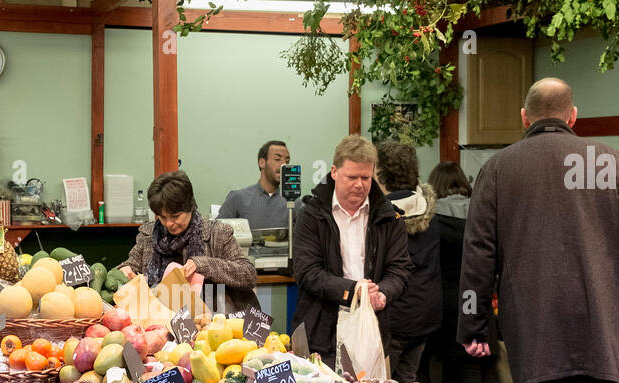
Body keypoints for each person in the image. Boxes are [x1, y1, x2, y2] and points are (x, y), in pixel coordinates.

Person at [457, 78, 619, 383]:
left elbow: (479, 253)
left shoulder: (497, 169)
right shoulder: (611, 163)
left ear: (525, 118)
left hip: (538, 338)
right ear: (573, 116)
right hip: (607, 338)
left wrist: (473, 326)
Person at [291, 135, 412, 363]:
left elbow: (400, 269)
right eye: (352, 177)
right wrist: (351, 290)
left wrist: (383, 294)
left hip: (372, 328)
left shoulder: (390, 216)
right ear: (334, 172)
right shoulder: (312, 214)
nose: (360, 184)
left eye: (366, 177)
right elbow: (306, 272)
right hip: (320, 331)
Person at [119, 169, 259, 313]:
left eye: (175, 216)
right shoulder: (148, 235)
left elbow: (248, 274)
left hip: (212, 322)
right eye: (162, 217)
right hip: (159, 321)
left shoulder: (217, 233)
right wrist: (124, 272)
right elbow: (129, 266)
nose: (168, 224)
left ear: (190, 206)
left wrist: (203, 264)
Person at [425, 162, 491, 383]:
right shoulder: (482, 210)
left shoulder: (429, 217)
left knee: (439, 367)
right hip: (476, 298)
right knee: (471, 368)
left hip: (441, 300)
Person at [377, 141, 440, 383]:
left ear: (380, 173)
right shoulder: (430, 211)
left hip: (393, 315)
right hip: (425, 314)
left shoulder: (381, 217)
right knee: (409, 380)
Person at [218, 139, 301, 230]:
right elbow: (216, 234)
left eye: (287, 161)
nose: (283, 165)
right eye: (277, 159)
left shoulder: (295, 203)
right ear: (262, 163)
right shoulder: (238, 198)